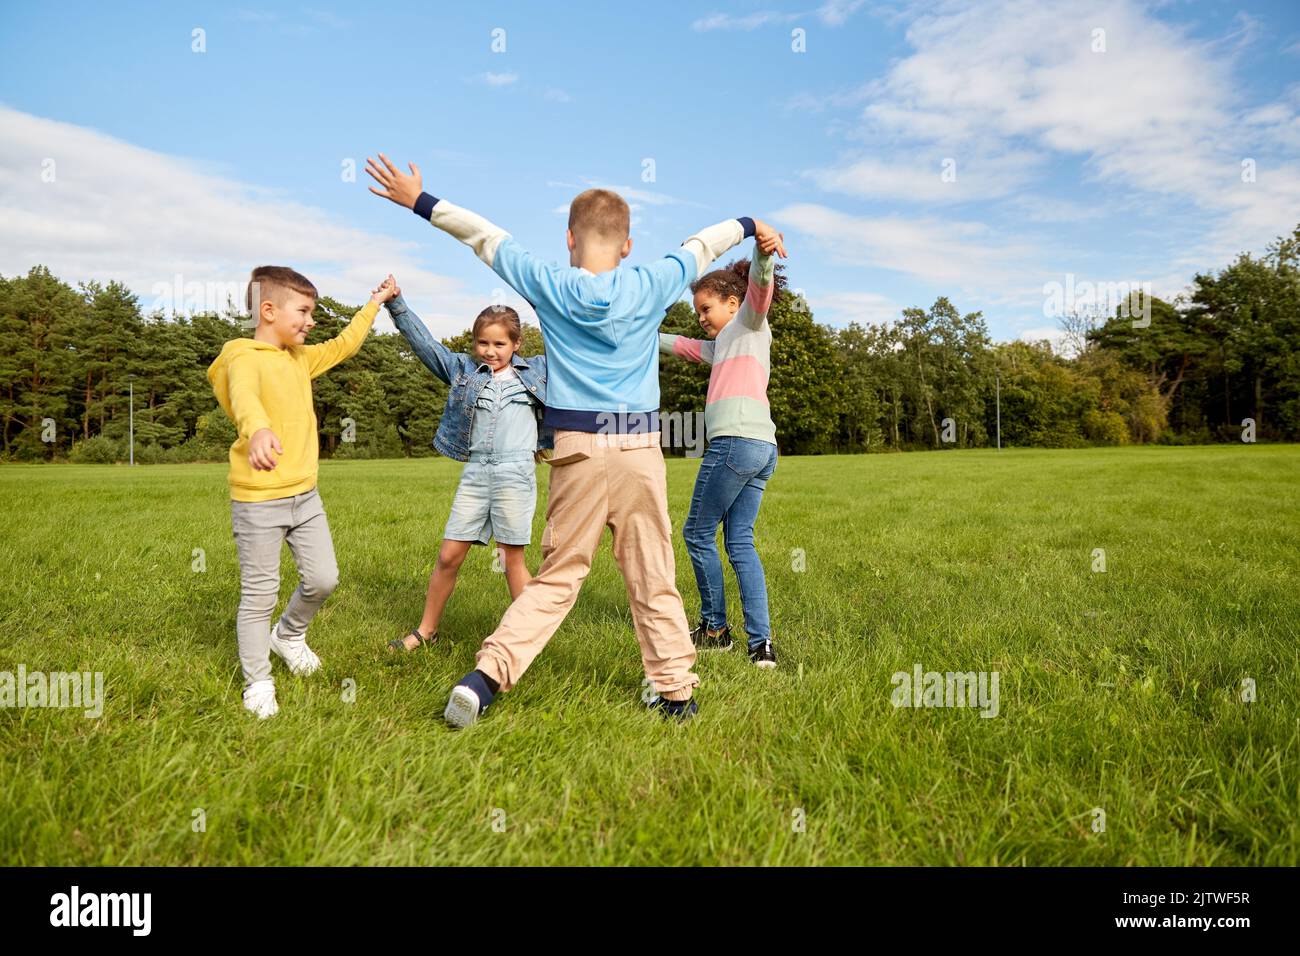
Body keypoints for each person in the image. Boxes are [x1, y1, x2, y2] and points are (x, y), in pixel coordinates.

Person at [206, 266, 396, 718]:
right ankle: (257, 681)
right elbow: (246, 399)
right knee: (259, 595)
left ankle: (288, 635)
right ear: (268, 310)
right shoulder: (243, 358)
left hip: (305, 497)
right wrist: (257, 431)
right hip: (258, 500)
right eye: (304, 311)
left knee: (323, 578)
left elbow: (343, 345)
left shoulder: (299, 357)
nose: (312, 321)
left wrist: (375, 303)